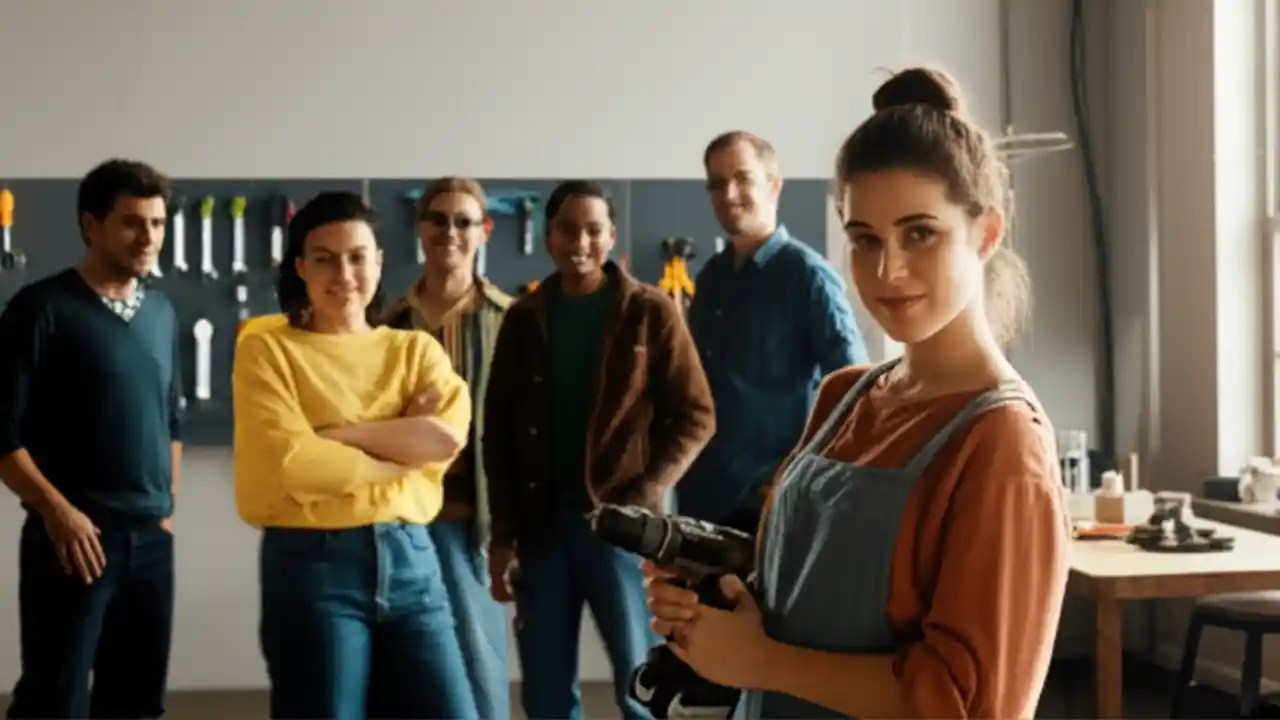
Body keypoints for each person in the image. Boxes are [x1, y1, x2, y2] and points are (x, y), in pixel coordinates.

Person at [645, 67, 1071, 719]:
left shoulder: (1002, 446)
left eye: (919, 233)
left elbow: (969, 705)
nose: (886, 270)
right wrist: (723, 597)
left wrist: (761, 662)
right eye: (864, 238)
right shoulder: (844, 396)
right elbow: (804, 588)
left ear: (986, 233)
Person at [232, 191, 478, 719]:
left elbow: (445, 441)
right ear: (300, 267)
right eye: (324, 258)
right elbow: (292, 464)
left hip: (414, 564)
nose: (343, 273)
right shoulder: (266, 347)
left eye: (357, 256)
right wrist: (399, 447)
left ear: (379, 262)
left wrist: (337, 434)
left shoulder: (415, 351)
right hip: (313, 569)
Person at [483, 180, 716, 719]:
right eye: (568, 228)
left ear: (611, 236)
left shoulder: (650, 311)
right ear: (549, 237)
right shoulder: (524, 318)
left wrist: (645, 494)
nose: (580, 242)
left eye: (593, 230)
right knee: (545, 690)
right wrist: (502, 537)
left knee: (640, 683)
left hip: (622, 533)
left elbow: (697, 416)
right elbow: (498, 433)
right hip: (542, 533)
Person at [0, 159, 182, 719]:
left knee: (137, 701)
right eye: (131, 222)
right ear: (90, 225)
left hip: (150, 543)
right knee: (55, 700)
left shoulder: (163, 311)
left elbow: (170, 421)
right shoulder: (41, 310)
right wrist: (58, 512)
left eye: (156, 222)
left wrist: (166, 509)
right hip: (73, 542)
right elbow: (2, 436)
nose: (148, 236)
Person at [677, 129, 870, 534]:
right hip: (701, 498)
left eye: (742, 178)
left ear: (774, 185)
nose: (728, 193)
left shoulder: (808, 277)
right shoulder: (711, 278)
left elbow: (856, 392)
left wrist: (789, 475)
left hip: (769, 505)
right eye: (716, 183)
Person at [383, 176, 513, 720]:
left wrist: (514, 531)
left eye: (463, 221)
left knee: (480, 673)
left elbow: (521, 431)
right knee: (408, 673)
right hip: (404, 523)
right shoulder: (386, 323)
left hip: (476, 527)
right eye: (438, 220)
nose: (450, 232)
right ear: (420, 229)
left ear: (484, 231)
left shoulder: (511, 321)